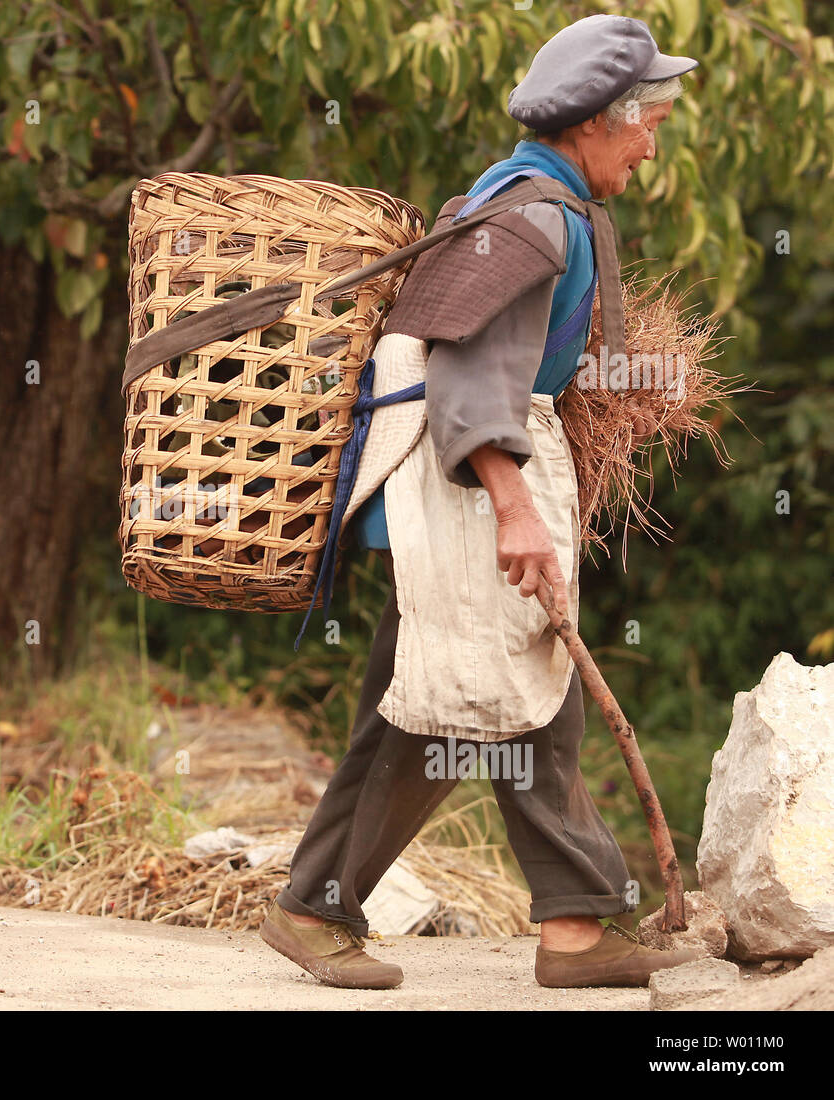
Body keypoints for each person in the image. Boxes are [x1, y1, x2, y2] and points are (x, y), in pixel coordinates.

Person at [260, 14, 702, 990]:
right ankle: (313, 905)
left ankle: (577, 925)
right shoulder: (532, 216)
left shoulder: (535, 202)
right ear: (594, 122)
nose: (651, 144)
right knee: (438, 700)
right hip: (471, 473)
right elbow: (468, 367)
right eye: (645, 124)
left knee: (511, 688)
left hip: (484, 465)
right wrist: (512, 506)